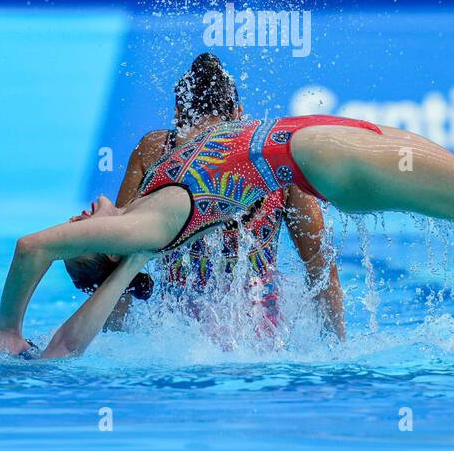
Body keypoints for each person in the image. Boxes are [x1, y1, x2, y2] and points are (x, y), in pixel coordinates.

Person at [0, 58, 454, 358]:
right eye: (83, 225)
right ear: (105, 245)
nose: (83, 210)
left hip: (321, 135)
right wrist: (10, 332)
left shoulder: (156, 167)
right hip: (322, 154)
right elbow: (31, 247)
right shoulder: (146, 223)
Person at [62, 55, 346, 341]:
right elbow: (321, 269)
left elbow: (119, 255)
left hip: (179, 325)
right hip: (258, 324)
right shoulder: (277, 159)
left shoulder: (154, 152)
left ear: (178, 114)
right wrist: (337, 349)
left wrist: (112, 339)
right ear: (239, 114)